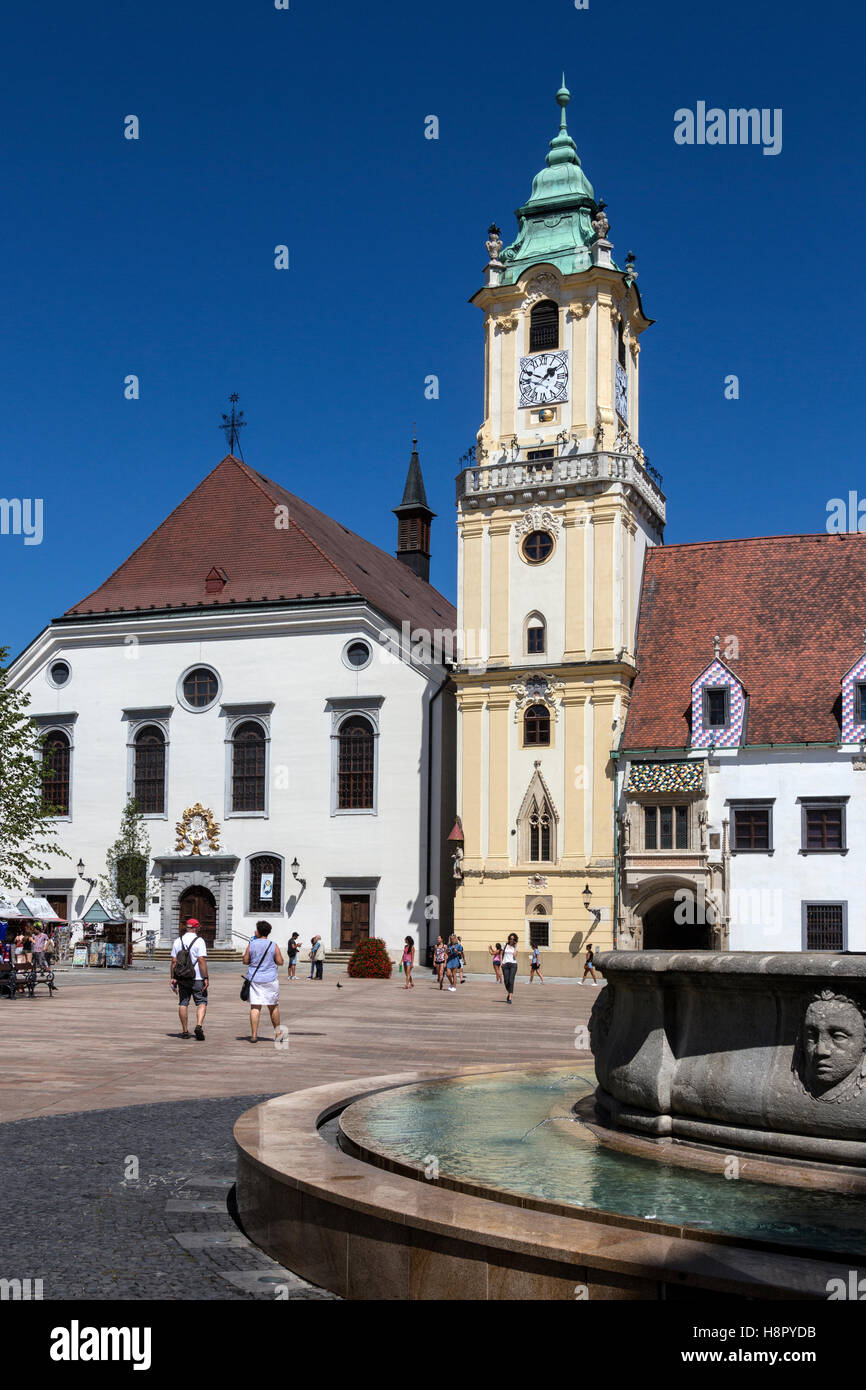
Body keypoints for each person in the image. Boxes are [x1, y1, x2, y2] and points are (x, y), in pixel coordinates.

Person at [243, 922, 284, 1042]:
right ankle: (277, 1034)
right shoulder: (273, 944)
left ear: (258, 931)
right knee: (273, 1007)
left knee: (255, 1007)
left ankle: (254, 1035)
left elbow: (245, 960)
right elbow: (280, 962)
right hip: (270, 979)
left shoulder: (252, 944)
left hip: (255, 979)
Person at [170, 917, 209, 1040]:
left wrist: (172, 977)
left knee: (183, 1003)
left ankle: (185, 1031)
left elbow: (173, 961)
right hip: (197, 977)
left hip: (182, 977)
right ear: (196, 928)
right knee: (201, 1002)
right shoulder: (199, 941)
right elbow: (201, 960)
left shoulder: (178, 940)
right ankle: (198, 1025)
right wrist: (206, 977)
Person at [501, 933, 519, 1005]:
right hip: (505, 964)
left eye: (513, 939)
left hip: (513, 964)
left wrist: (516, 946)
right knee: (506, 981)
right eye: (510, 939)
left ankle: (510, 997)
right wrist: (501, 962)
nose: (511, 940)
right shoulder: (505, 945)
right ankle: (509, 993)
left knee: (511, 981)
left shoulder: (515, 946)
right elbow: (501, 953)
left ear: (515, 940)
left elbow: (515, 955)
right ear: (509, 939)